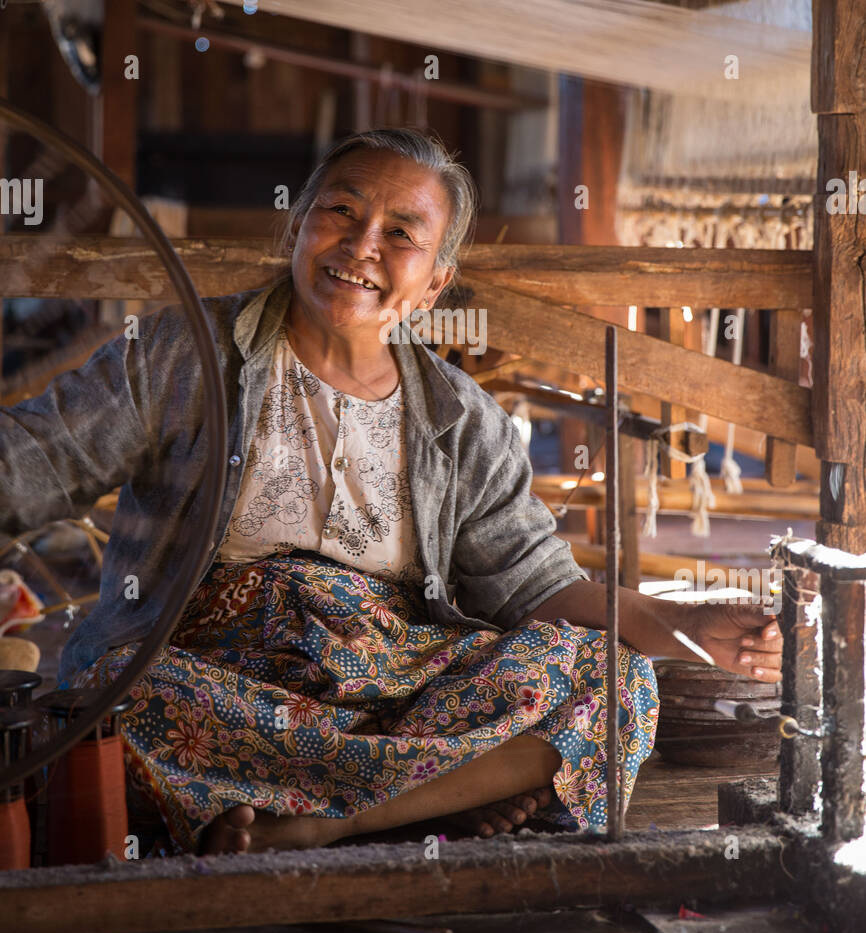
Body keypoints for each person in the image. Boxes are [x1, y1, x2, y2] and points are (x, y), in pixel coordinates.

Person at [0, 129, 781, 855]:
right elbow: (38, 455)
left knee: (610, 677)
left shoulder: (458, 418)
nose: (361, 245)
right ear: (296, 229)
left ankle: (316, 827)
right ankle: (440, 795)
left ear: (435, 281)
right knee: (117, 699)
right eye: (339, 210)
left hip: (395, 687)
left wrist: (687, 624)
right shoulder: (185, 355)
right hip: (217, 684)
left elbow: (540, 589)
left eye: (401, 233)